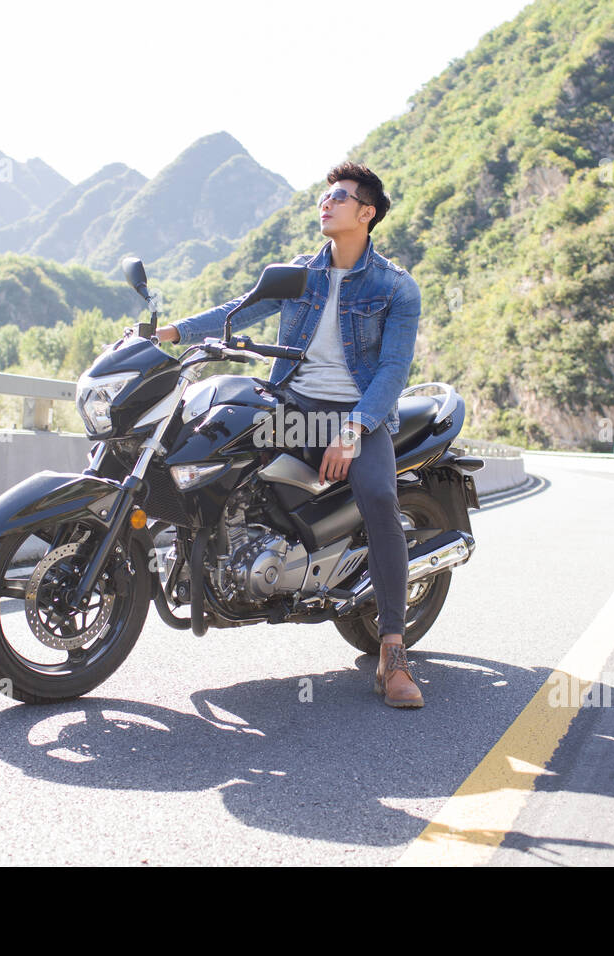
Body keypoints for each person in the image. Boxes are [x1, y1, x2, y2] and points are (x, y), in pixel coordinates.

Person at [158, 161, 424, 708]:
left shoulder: (397, 287)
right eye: (325, 196)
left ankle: (393, 654)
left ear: (366, 213)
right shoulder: (299, 275)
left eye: (340, 198)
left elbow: (393, 370)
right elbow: (237, 308)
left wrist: (352, 429)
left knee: (377, 497)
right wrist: (175, 332)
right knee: (217, 443)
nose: (326, 204)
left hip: (359, 414)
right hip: (294, 404)